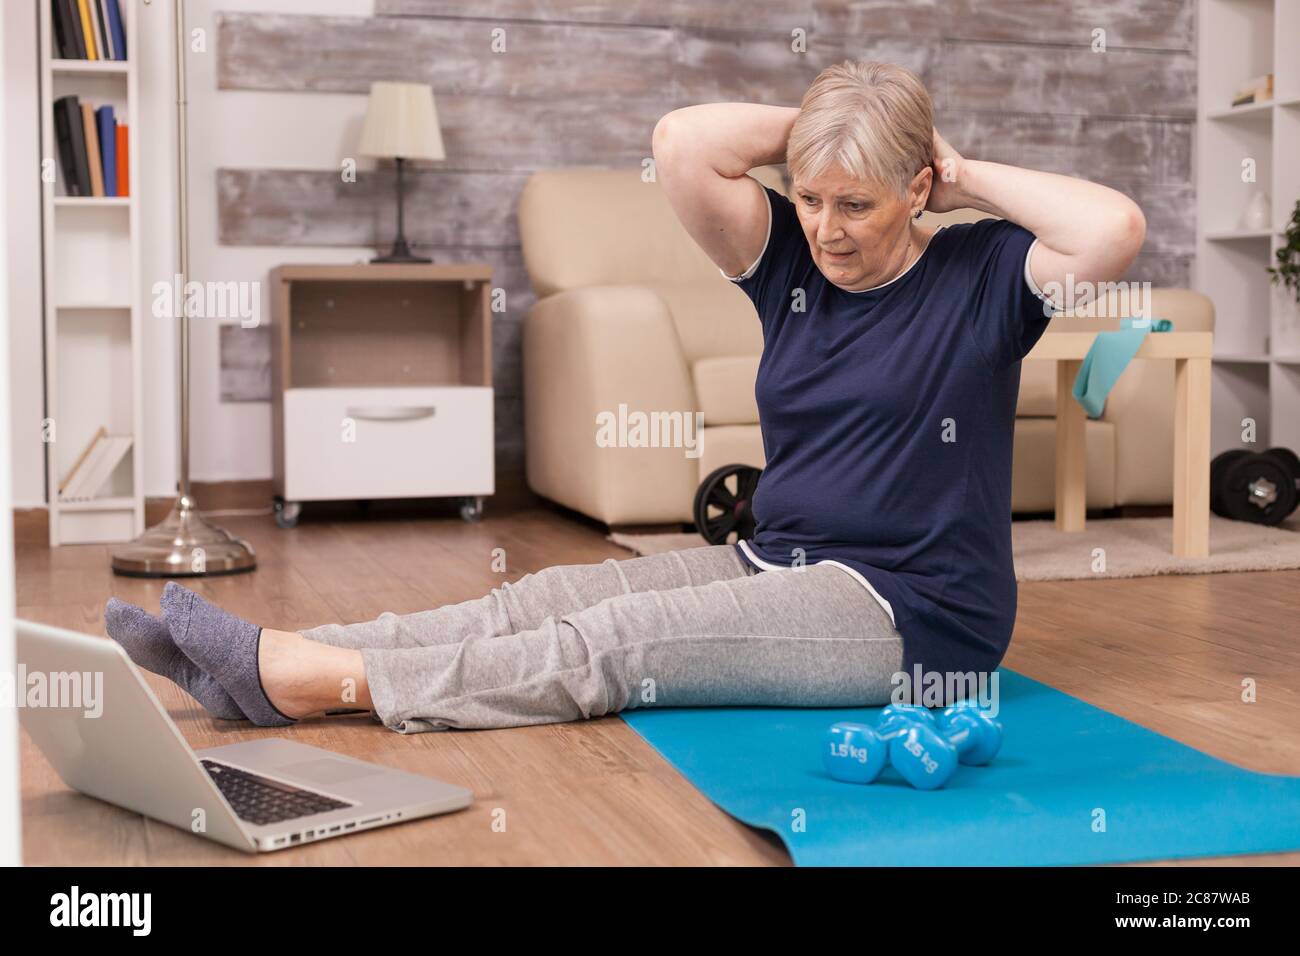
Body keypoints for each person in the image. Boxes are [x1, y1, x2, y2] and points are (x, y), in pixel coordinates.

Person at [104, 60, 1144, 733]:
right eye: (813, 195)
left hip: (912, 613)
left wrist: (952, 166)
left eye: (858, 203)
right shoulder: (788, 261)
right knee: (546, 596)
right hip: (768, 556)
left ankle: (314, 680)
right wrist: (838, 125)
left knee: (621, 647)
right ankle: (283, 656)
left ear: (917, 190)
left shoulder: (981, 277)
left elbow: (1115, 230)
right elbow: (681, 144)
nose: (825, 226)